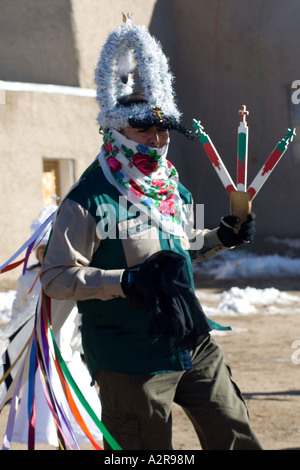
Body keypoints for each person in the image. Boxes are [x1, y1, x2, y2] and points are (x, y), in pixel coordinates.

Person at [40, 18, 262, 450]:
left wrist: (222, 236)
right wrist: (124, 281)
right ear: (116, 130)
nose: (157, 139)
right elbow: (56, 277)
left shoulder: (169, 184)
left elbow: (180, 245)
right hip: (130, 360)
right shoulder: (88, 198)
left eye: (163, 129)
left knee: (237, 438)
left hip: (191, 342)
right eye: (145, 128)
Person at [6, 205, 103, 449]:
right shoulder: (28, 280)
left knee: (78, 404)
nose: (43, 256)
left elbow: (80, 314)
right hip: (39, 354)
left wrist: (79, 345)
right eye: (40, 251)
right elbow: (19, 311)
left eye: (48, 250)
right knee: (46, 408)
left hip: (67, 354)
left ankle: (76, 439)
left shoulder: (71, 279)